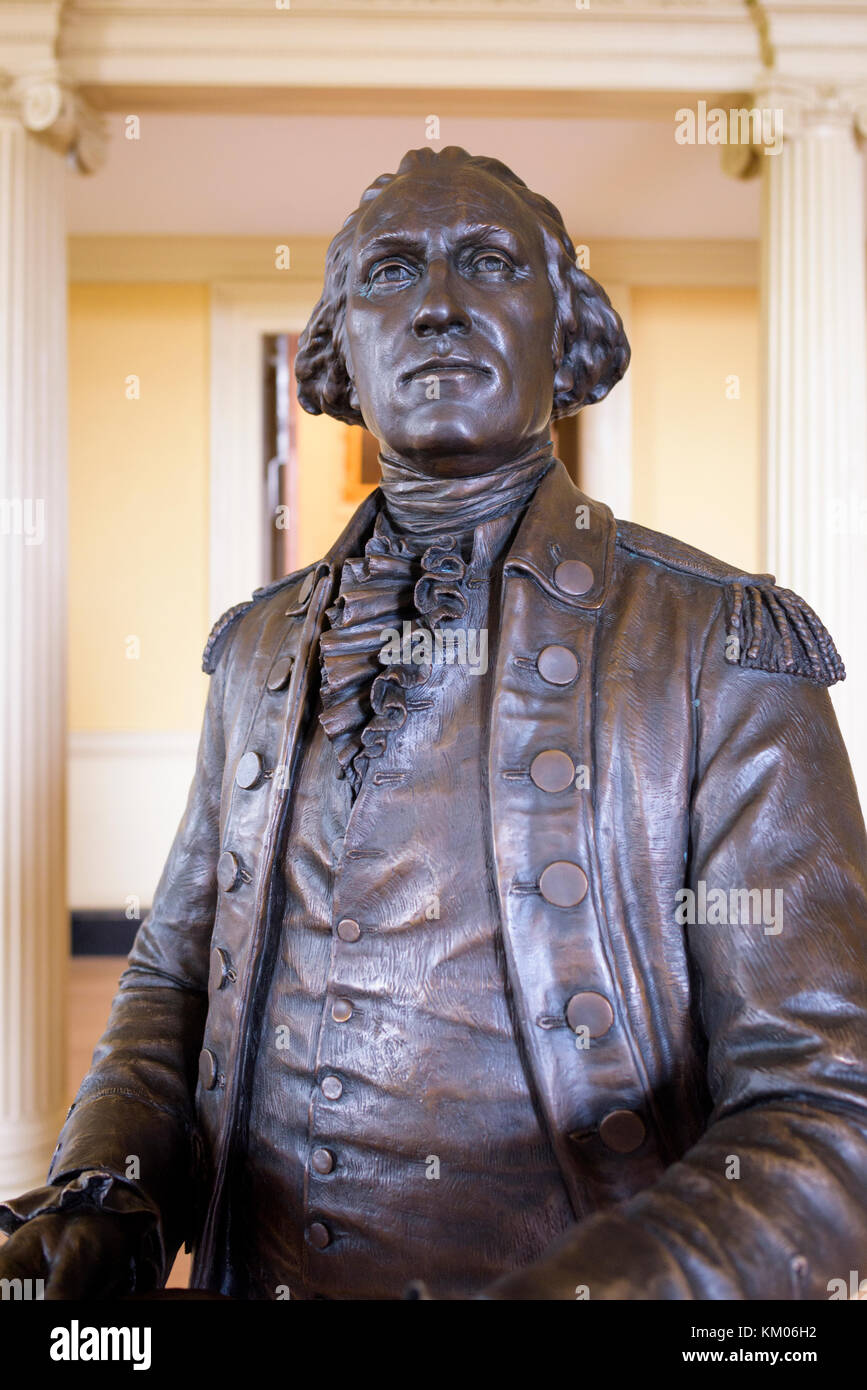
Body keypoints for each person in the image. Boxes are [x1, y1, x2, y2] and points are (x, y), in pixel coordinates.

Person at [2, 145, 867, 1300]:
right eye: (392, 273)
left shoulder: (721, 644)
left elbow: (829, 1098)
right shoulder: (255, 649)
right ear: (338, 352)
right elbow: (169, 979)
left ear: (563, 332)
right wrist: (105, 1194)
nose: (441, 307)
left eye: (491, 265)